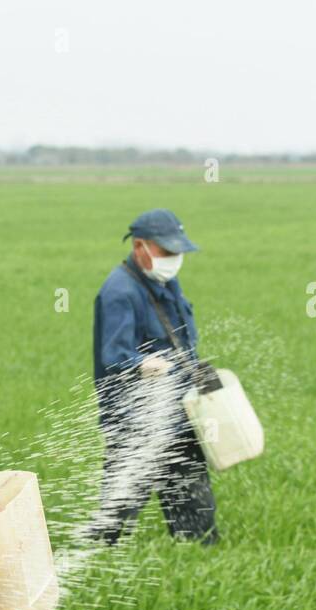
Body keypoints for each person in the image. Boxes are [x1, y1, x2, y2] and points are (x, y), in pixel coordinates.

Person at [87, 208, 219, 546]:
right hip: (136, 418)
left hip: (178, 412)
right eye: (167, 251)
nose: (174, 259)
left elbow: (181, 339)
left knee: (193, 497)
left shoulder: (164, 281)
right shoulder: (119, 292)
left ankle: (199, 556)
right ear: (140, 247)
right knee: (120, 505)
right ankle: (101, 558)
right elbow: (113, 355)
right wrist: (143, 364)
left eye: (178, 251)